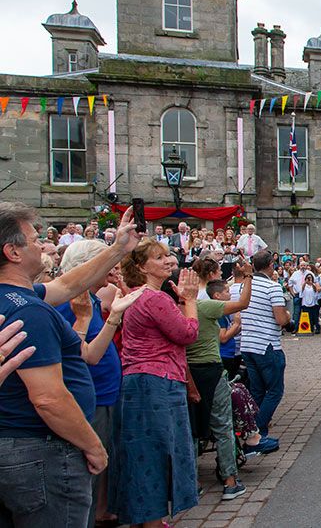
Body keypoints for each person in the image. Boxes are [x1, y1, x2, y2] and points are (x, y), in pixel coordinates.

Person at [0, 202, 140, 527]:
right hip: (41, 451)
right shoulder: (29, 312)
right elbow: (48, 398)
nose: (41, 245)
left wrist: (118, 249)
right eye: (33, 239)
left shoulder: (17, 297)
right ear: (13, 252)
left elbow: (65, 286)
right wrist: (93, 445)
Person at [56, 241, 146, 528]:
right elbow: (77, 354)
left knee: (103, 460)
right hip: (88, 395)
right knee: (89, 466)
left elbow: (93, 353)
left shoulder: (91, 300)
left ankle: (100, 512)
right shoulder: (69, 303)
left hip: (105, 391)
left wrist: (115, 316)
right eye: (107, 262)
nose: (114, 267)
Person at [112, 240, 201, 526]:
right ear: (141, 267)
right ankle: (152, 522)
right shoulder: (154, 298)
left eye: (166, 256)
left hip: (139, 380)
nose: (167, 261)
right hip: (157, 382)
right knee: (156, 454)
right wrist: (191, 301)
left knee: (142, 452)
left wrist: (180, 303)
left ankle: (145, 519)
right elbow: (188, 333)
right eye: (159, 257)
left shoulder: (138, 296)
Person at [187, 269, 258, 501]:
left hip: (186, 372)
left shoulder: (174, 312)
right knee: (223, 426)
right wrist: (248, 277)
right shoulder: (204, 307)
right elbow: (243, 303)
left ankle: (192, 481)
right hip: (210, 369)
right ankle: (230, 480)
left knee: (191, 427)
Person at [240, 249, 292, 444]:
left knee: (257, 390)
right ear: (271, 265)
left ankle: (253, 432)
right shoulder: (273, 287)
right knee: (275, 391)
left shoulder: (243, 285)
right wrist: (288, 316)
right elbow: (280, 319)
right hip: (267, 345)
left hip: (247, 345)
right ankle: (256, 432)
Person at [287, 261, 312, 332]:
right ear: (299, 266)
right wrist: (292, 293)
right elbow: (290, 284)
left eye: (304, 265)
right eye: (301, 265)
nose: (303, 267)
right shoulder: (295, 274)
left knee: (307, 312)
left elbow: (314, 283)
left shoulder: (310, 273)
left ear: (306, 266)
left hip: (307, 295)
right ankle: (295, 328)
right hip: (297, 295)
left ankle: (308, 328)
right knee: (296, 312)